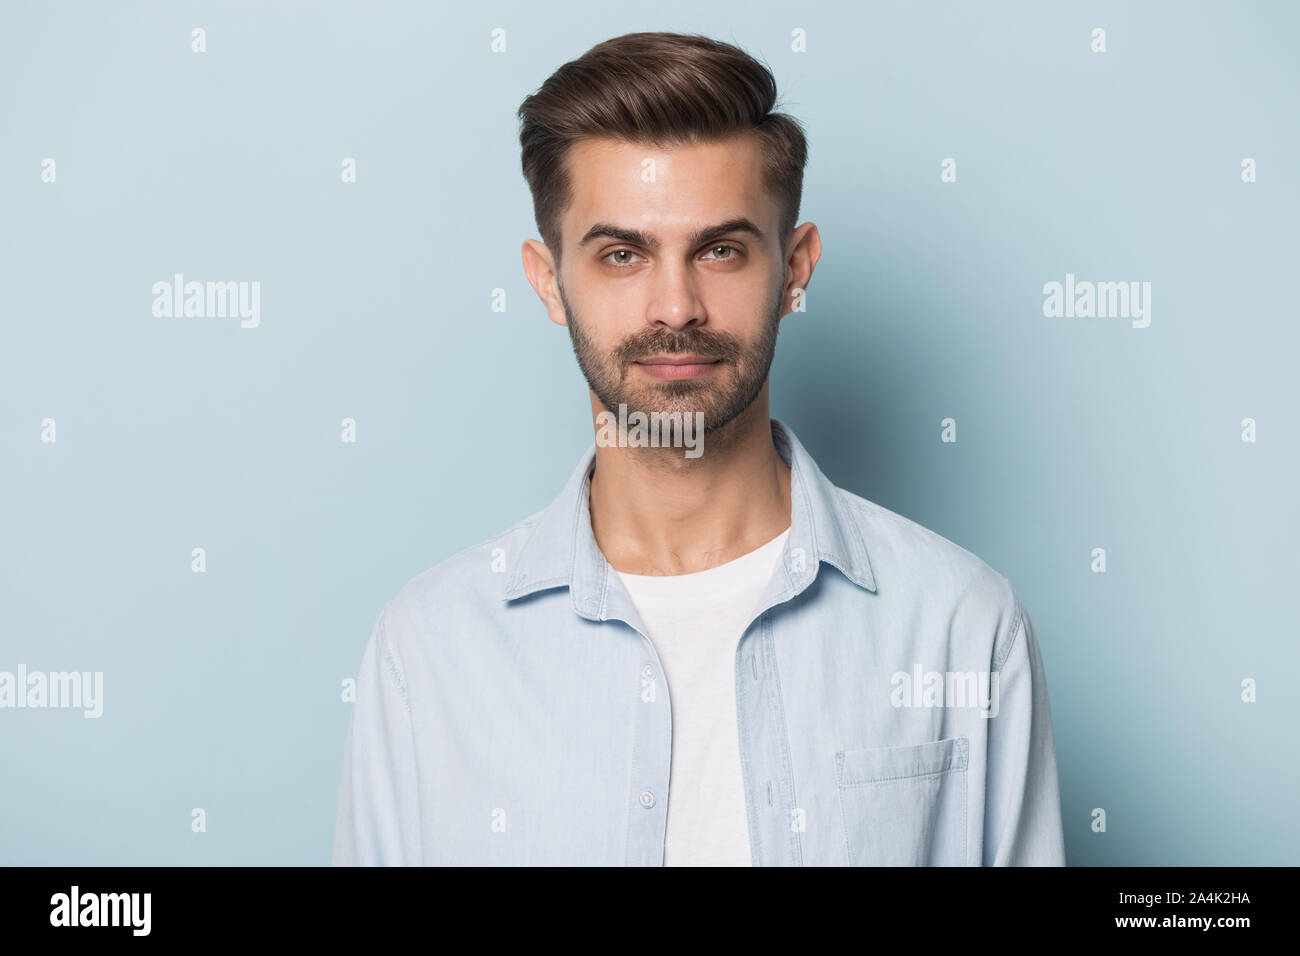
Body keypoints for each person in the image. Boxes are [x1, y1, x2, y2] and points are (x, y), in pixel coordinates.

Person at [331, 31, 1066, 866]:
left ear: (795, 268)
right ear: (548, 282)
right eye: (621, 254)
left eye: (720, 250)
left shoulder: (961, 625)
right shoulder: (429, 652)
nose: (675, 306)